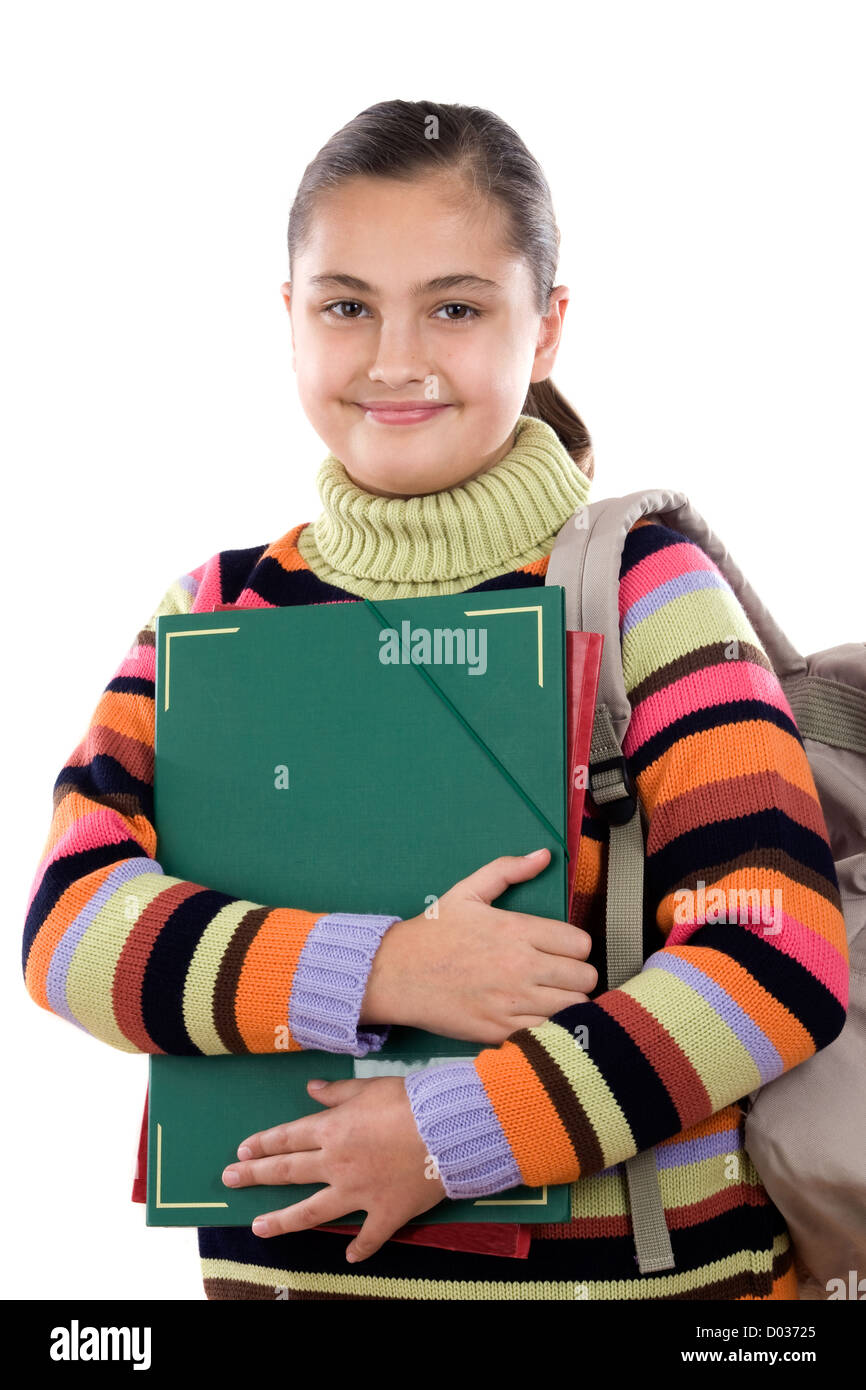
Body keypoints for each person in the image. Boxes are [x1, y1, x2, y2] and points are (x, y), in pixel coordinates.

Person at [23, 98, 849, 1301]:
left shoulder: (644, 593)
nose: (394, 356)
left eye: (455, 307)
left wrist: (446, 1132)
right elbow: (69, 928)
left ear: (547, 326)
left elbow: (772, 955)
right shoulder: (213, 611)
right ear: (289, 319)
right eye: (345, 304)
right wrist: (380, 971)